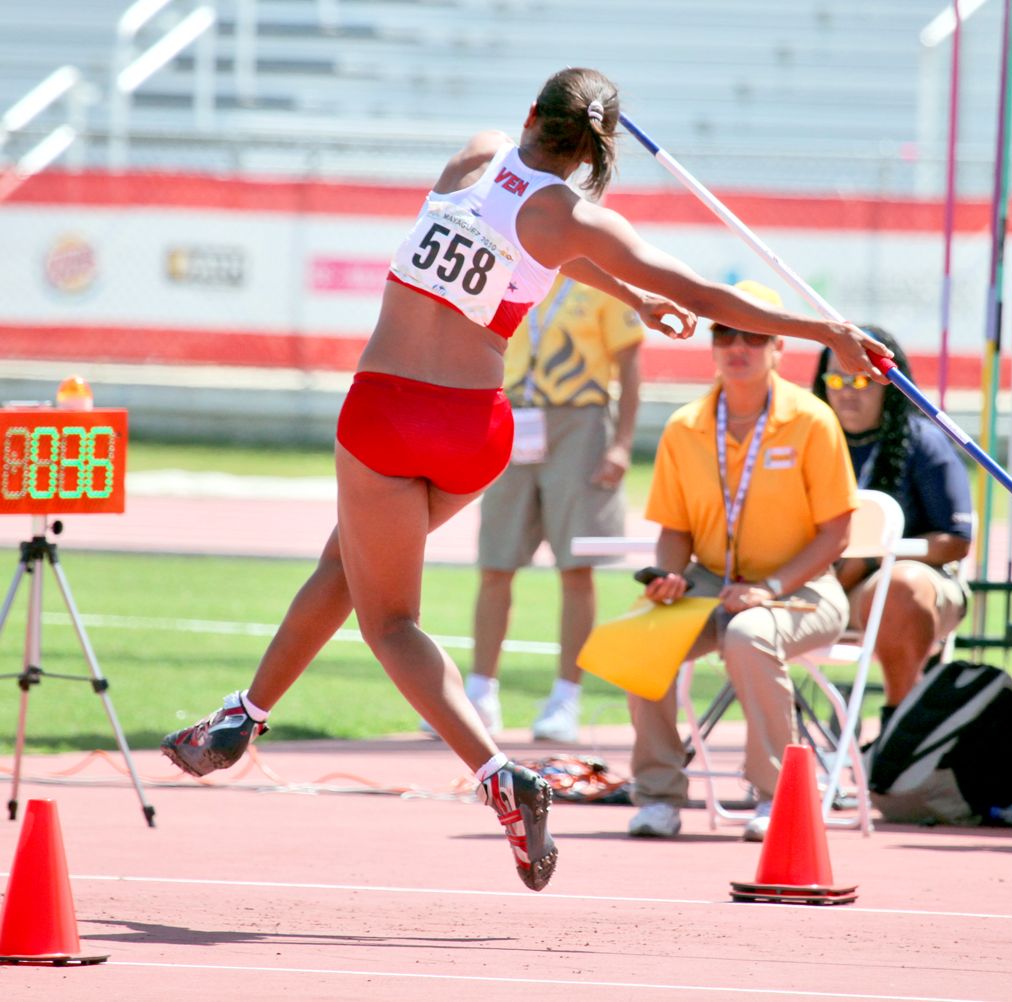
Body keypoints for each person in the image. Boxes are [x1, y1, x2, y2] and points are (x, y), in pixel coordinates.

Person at [158, 68, 890, 892]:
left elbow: (511, 239)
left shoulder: (473, 159)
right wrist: (819, 327)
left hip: (386, 410)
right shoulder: (577, 219)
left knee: (388, 619)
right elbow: (683, 286)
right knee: (349, 567)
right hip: (476, 428)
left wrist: (659, 301)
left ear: (532, 115)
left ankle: (496, 774)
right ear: (591, 154)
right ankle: (243, 715)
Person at [626, 280, 858, 843]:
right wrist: (668, 576)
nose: (738, 345)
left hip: (804, 589)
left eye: (754, 335)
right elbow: (674, 530)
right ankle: (657, 796)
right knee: (640, 636)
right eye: (725, 331)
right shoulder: (685, 427)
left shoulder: (812, 420)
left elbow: (837, 533)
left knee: (750, 635)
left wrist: (770, 586)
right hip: (710, 583)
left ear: (778, 346)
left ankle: (775, 796)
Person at [466, 274, 644, 742]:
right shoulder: (515, 271)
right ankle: (480, 693)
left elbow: (629, 365)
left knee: (577, 566)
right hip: (514, 416)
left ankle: (567, 696)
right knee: (495, 561)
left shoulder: (604, 282)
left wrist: (622, 443)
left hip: (579, 422)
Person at [810, 326, 973, 714]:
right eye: (835, 379)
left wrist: (871, 559)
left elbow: (955, 539)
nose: (847, 391)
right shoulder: (805, 440)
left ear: (888, 382)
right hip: (818, 585)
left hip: (908, 585)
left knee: (900, 588)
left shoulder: (923, 441)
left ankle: (897, 732)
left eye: (861, 380)